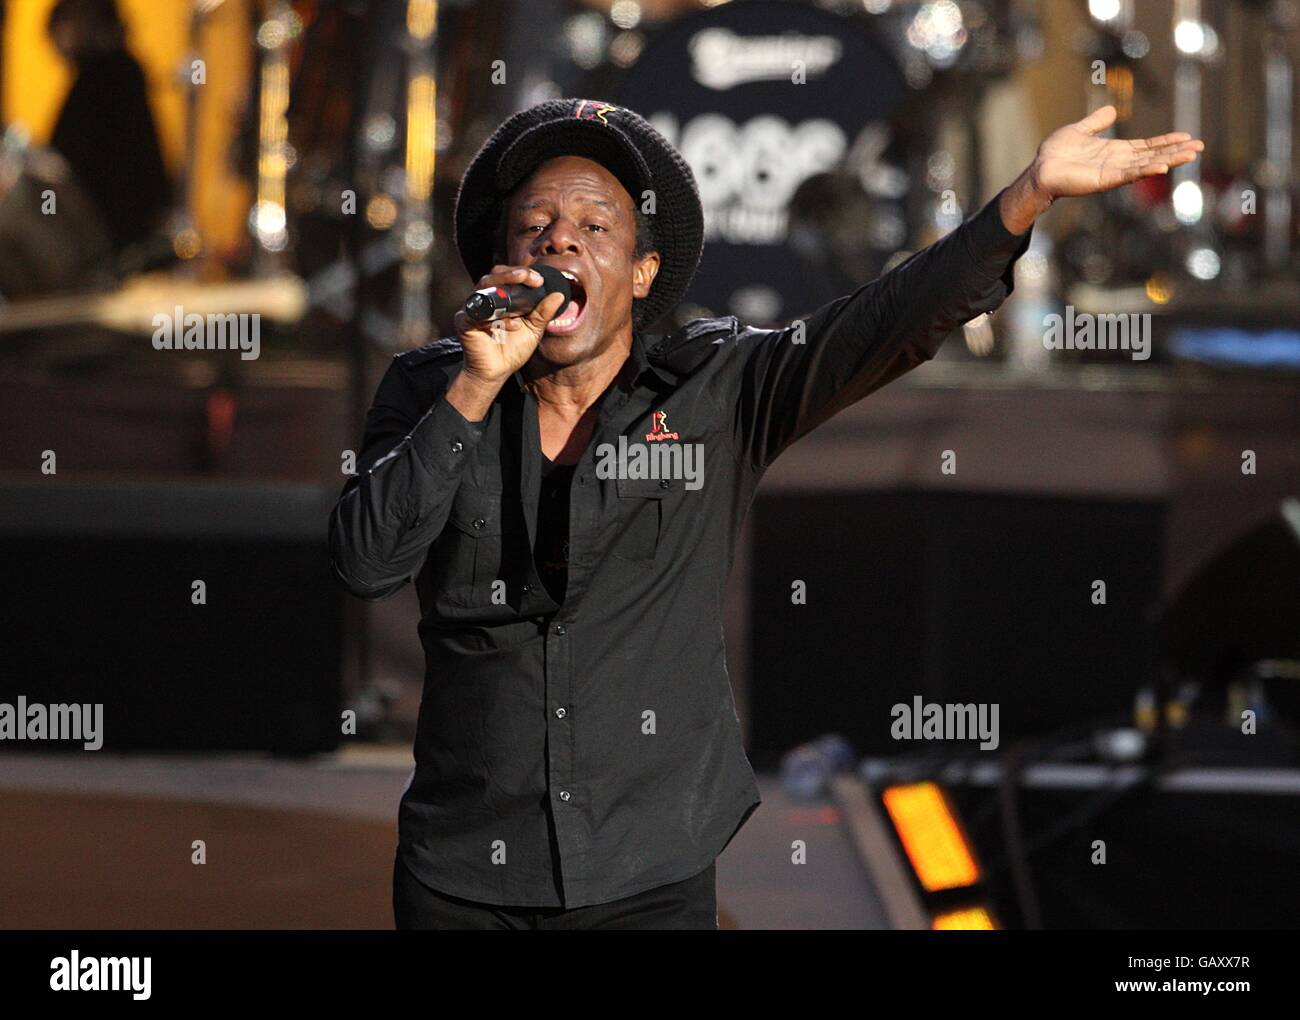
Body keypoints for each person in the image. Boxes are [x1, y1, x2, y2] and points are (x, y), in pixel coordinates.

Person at [328, 98, 1202, 930]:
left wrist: (1024, 198)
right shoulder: (431, 389)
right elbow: (366, 564)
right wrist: (475, 388)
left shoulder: (719, 390)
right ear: (502, 261)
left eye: (595, 227)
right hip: (466, 871)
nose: (562, 239)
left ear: (641, 273)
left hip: (648, 868)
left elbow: (889, 321)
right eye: (537, 226)